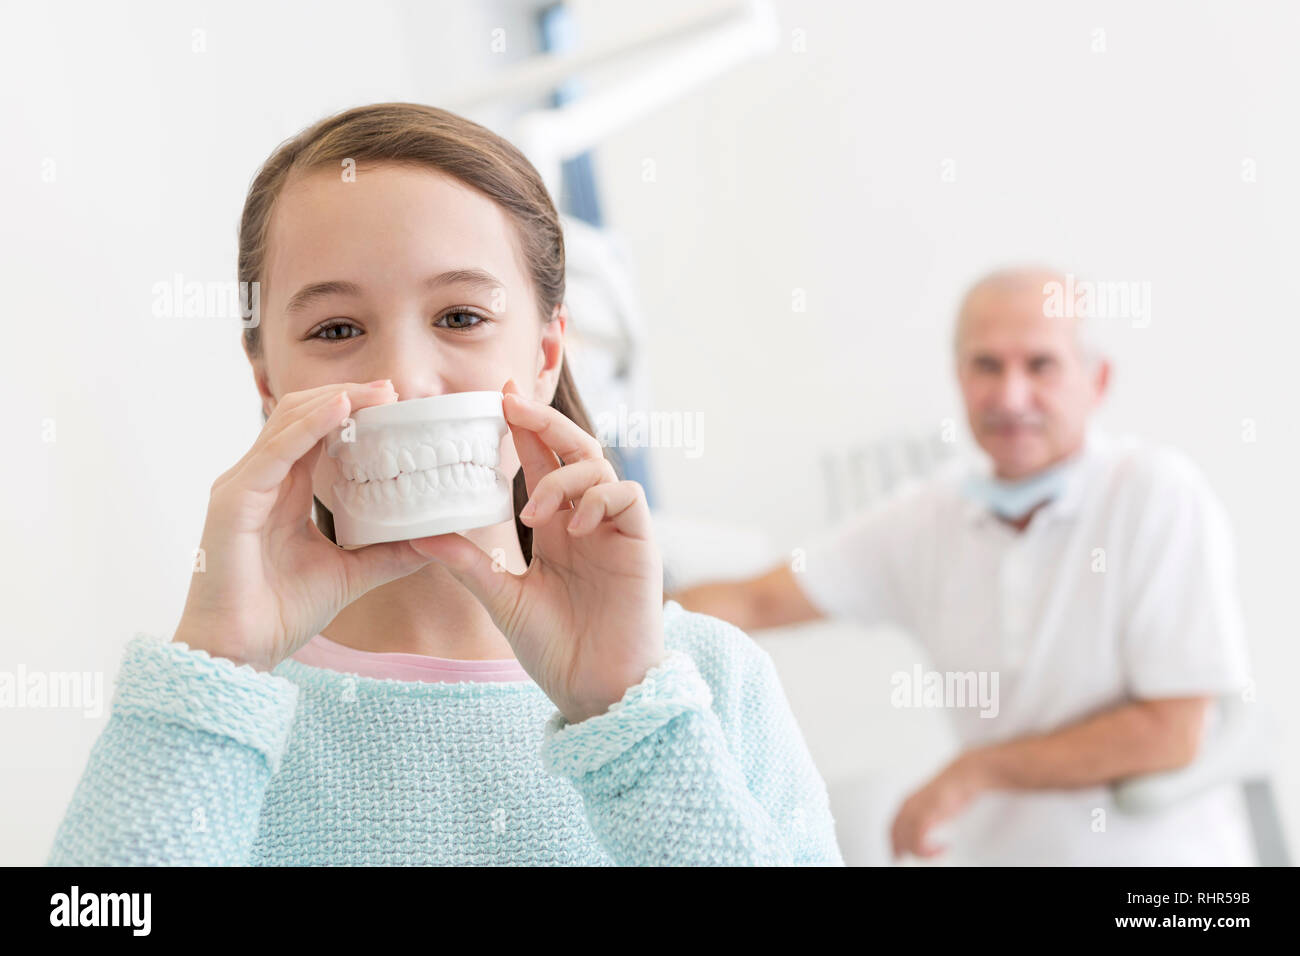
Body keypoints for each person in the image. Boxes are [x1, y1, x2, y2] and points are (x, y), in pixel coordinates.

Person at [45, 102, 842, 866]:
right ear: (268, 385)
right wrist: (213, 672)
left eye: (460, 316)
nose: (403, 380)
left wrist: (626, 713)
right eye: (336, 330)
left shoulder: (707, 681)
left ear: (545, 354)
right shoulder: (209, 712)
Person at [674, 267, 1256, 865]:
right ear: (958, 377)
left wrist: (974, 773)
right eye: (987, 365)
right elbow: (758, 601)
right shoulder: (927, 521)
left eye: (1040, 365)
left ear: (1097, 380)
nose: (1010, 396)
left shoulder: (1155, 495)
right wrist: (623, 614)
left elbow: (1174, 729)